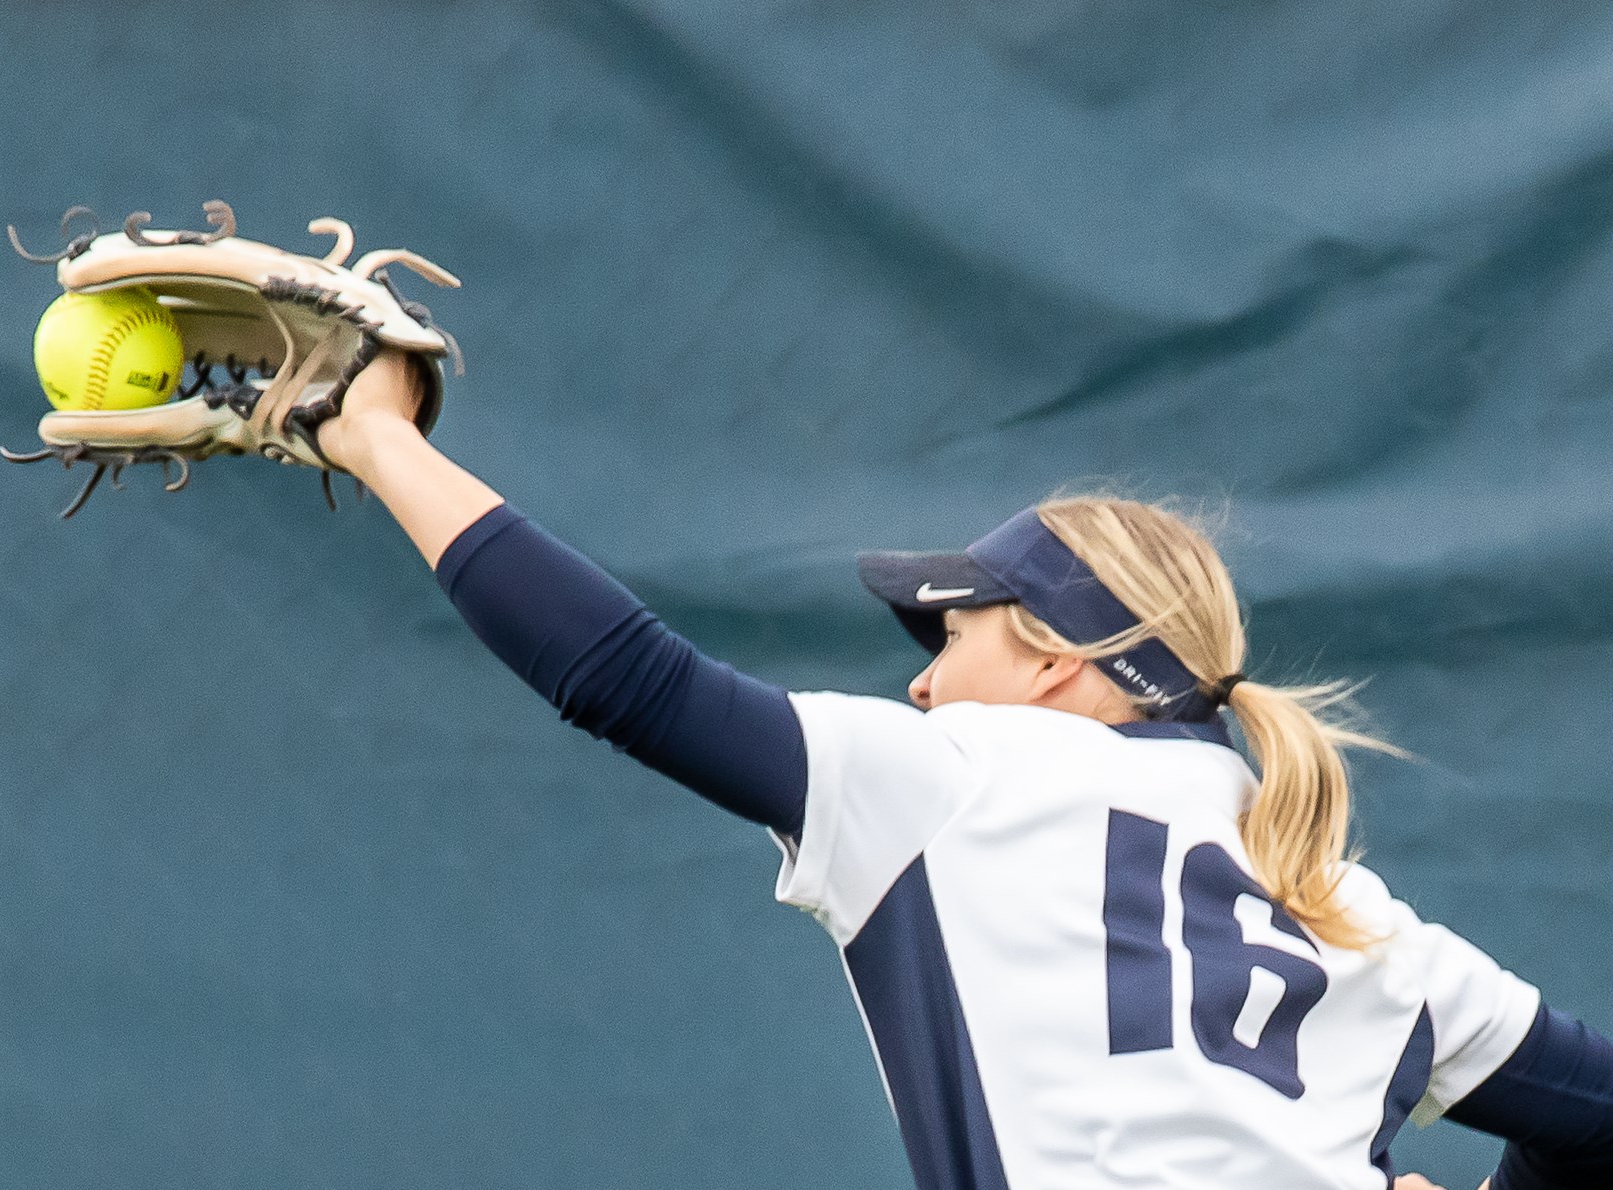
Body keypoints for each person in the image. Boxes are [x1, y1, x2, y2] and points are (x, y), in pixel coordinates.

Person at [314, 353, 1613, 1189]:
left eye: (953, 634)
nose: (924, 680)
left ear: (1058, 659)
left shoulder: (964, 774)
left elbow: (628, 678)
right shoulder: (1355, 909)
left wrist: (377, 435)